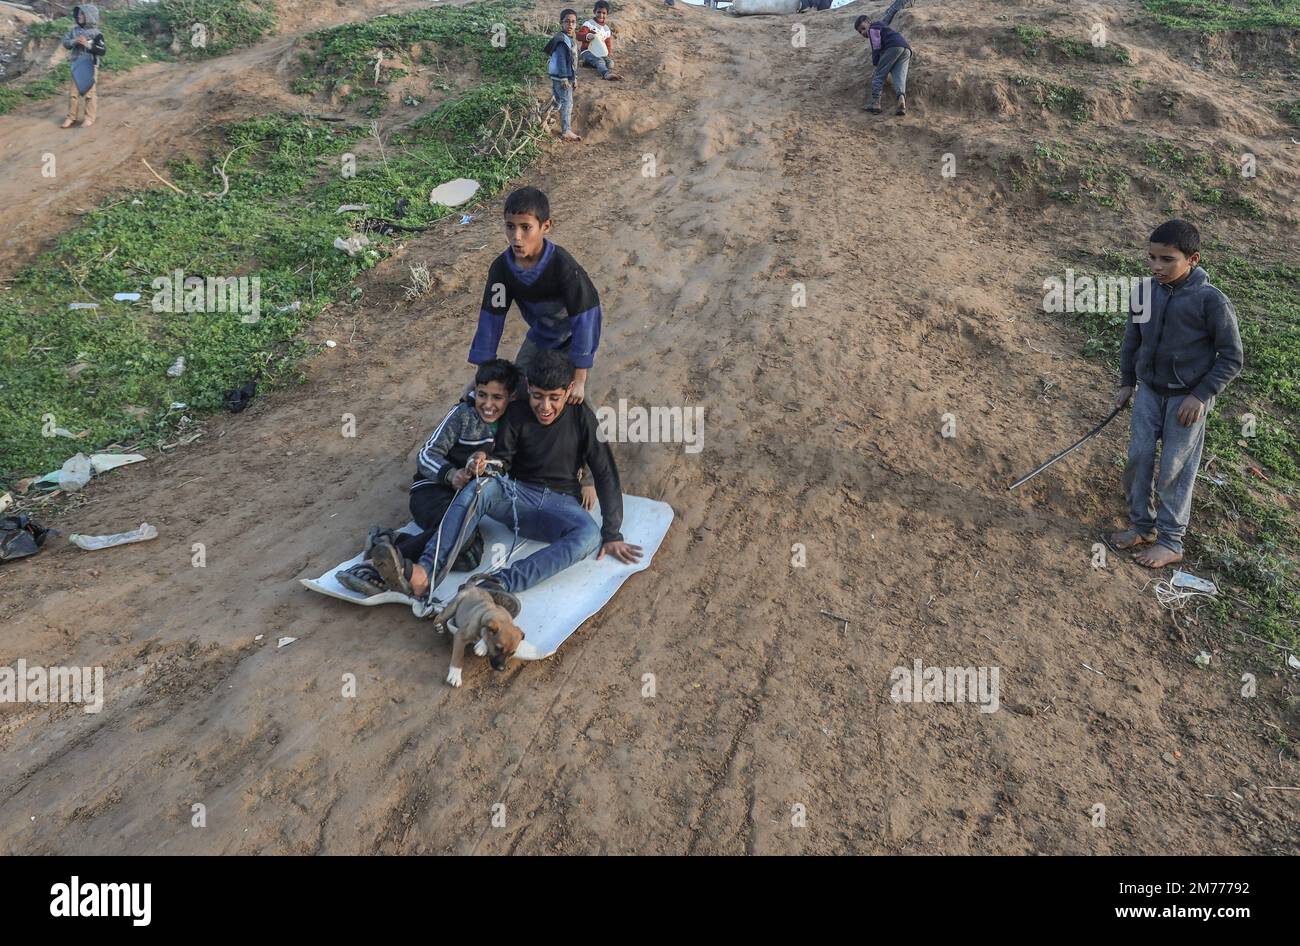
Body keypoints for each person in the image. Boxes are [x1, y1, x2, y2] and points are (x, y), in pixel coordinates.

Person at [407, 350, 643, 611]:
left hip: (560, 504)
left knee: (587, 534)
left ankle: (497, 584)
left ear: (570, 390)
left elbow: (605, 471)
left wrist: (612, 532)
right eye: (538, 396)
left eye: (555, 398)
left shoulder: (583, 417)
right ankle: (426, 571)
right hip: (517, 495)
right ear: (528, 387)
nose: (545, 407)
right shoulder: (516, 412)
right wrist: (485, 463)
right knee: (479, 488)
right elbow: (503, 460)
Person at [1108, 219, 1243, 569]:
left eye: (1167, 259)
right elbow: (1132, 341)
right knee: (1138, 458)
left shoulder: (1211, 302)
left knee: (1174, 468)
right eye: (1152, 258)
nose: (1156, 267)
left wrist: (1201, 395)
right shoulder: (1143, 292)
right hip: (1150, 391)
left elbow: (1231, 356)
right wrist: (1127, 382)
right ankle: (1141, 526)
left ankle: (1170, 541)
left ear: (1193, 259)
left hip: (1188, 400)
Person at [337, 360, 521, 597]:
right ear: (474, 391)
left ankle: (388, 541)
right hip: (432, 492)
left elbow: (506, 465)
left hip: (466, 500)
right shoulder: (462, 415)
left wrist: (484, 466)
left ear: (512, 397)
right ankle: (373, 567)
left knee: (470, 556)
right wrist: (450, 475)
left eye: (497, 397)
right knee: (461, 540)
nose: (487, 404)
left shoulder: (513, 424)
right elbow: (426, 454)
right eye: (482, 395)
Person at [854, 0, 914, 116]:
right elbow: (888, 17)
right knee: (899, 76)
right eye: (860, 32)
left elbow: (876, 45)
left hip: (893, 46)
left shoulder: (873, 28)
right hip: (905, 48)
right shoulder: (881, 25)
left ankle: (875, 103)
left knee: (879, 75)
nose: (862, 32)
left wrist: (876, 61)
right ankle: (901, 100)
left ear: (868, 22)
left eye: (862, 28)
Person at [61, 4, 106, 129]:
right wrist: (74, 41)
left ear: (89, 16)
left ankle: (89, 118)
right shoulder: (74, 31)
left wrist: (88, 45)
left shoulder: (97, 33)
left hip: (90, 65)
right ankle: (71, 117)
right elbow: (65, 43)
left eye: (82, 14)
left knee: (89, 93)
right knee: (73, 93)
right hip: (76, 64)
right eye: (78, 14)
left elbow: (102, 51)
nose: (79, 16)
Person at [546, 9, 582, 141]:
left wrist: (575, 78)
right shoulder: (562, 40)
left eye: (573, 22)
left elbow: (572, 62)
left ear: (576, 24)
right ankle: (566, 130)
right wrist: (564, 78)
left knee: (557, 101)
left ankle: (544, 119)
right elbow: (562, 61)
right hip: (562, 78)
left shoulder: (567, 39)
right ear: (561, 23)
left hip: (560, 77)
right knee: (567, 103)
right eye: (567, 21)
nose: (570, 25)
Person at [576, 1, 623, 81]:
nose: (601, 15)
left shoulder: (606, 29)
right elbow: (578, 36)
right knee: (599, 61)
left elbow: (608, 44)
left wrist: (608, 55)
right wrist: (587, 36)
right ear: (594, 12)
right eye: (599, 12)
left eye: (604, 13)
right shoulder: (589, 24)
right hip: (587, 51)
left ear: (607, 14)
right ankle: (606, 74)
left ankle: (587, 62)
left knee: (610, 63)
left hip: (600, 52)